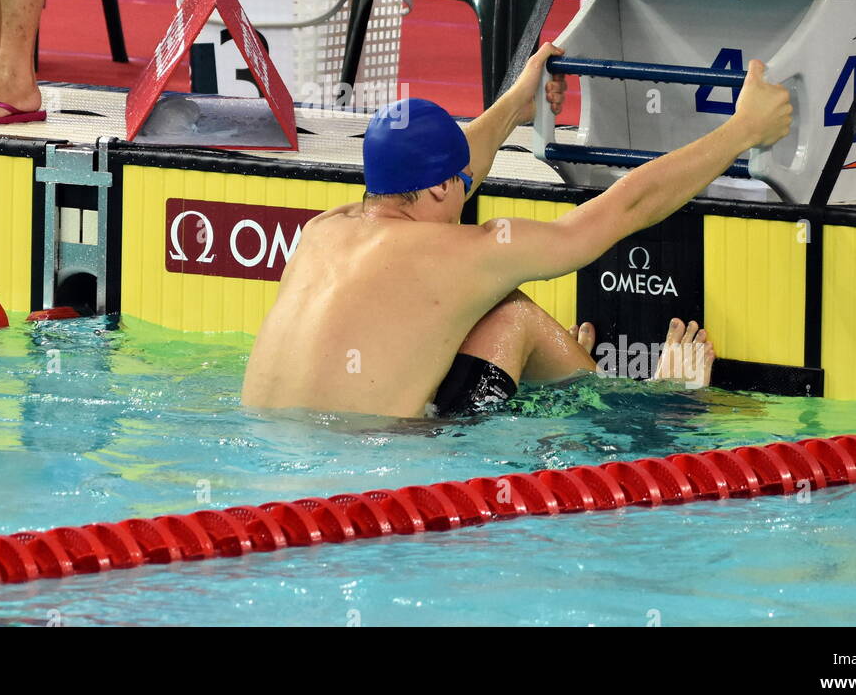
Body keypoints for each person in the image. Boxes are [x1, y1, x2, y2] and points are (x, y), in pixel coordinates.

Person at [241, 44, 794, 419]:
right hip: (377, 488)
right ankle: (653, 403)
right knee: (514, 316)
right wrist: (744, 130)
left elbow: (442, 174)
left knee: (494, 323)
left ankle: (570, 382)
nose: (468, 190)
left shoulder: (323, 230)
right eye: (462, 184)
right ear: (440, 189)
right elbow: (625, 207)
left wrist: (513, 108)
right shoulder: (468, 253)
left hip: (276, 480)